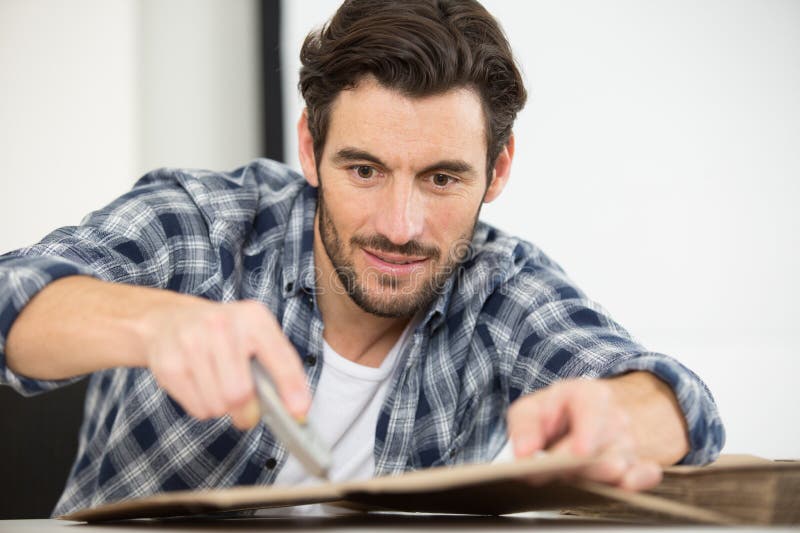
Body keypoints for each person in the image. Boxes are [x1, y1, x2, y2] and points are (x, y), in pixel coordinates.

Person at [0, 0, 724, 517]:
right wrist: (153, 324)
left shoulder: (499, 287)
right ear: (309, 148)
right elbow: (11, 293)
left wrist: (620, 415)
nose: (400, 227)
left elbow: (675, 401)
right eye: (364, 170)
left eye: (442, 179)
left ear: (498, 169)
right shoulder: (205, 224)